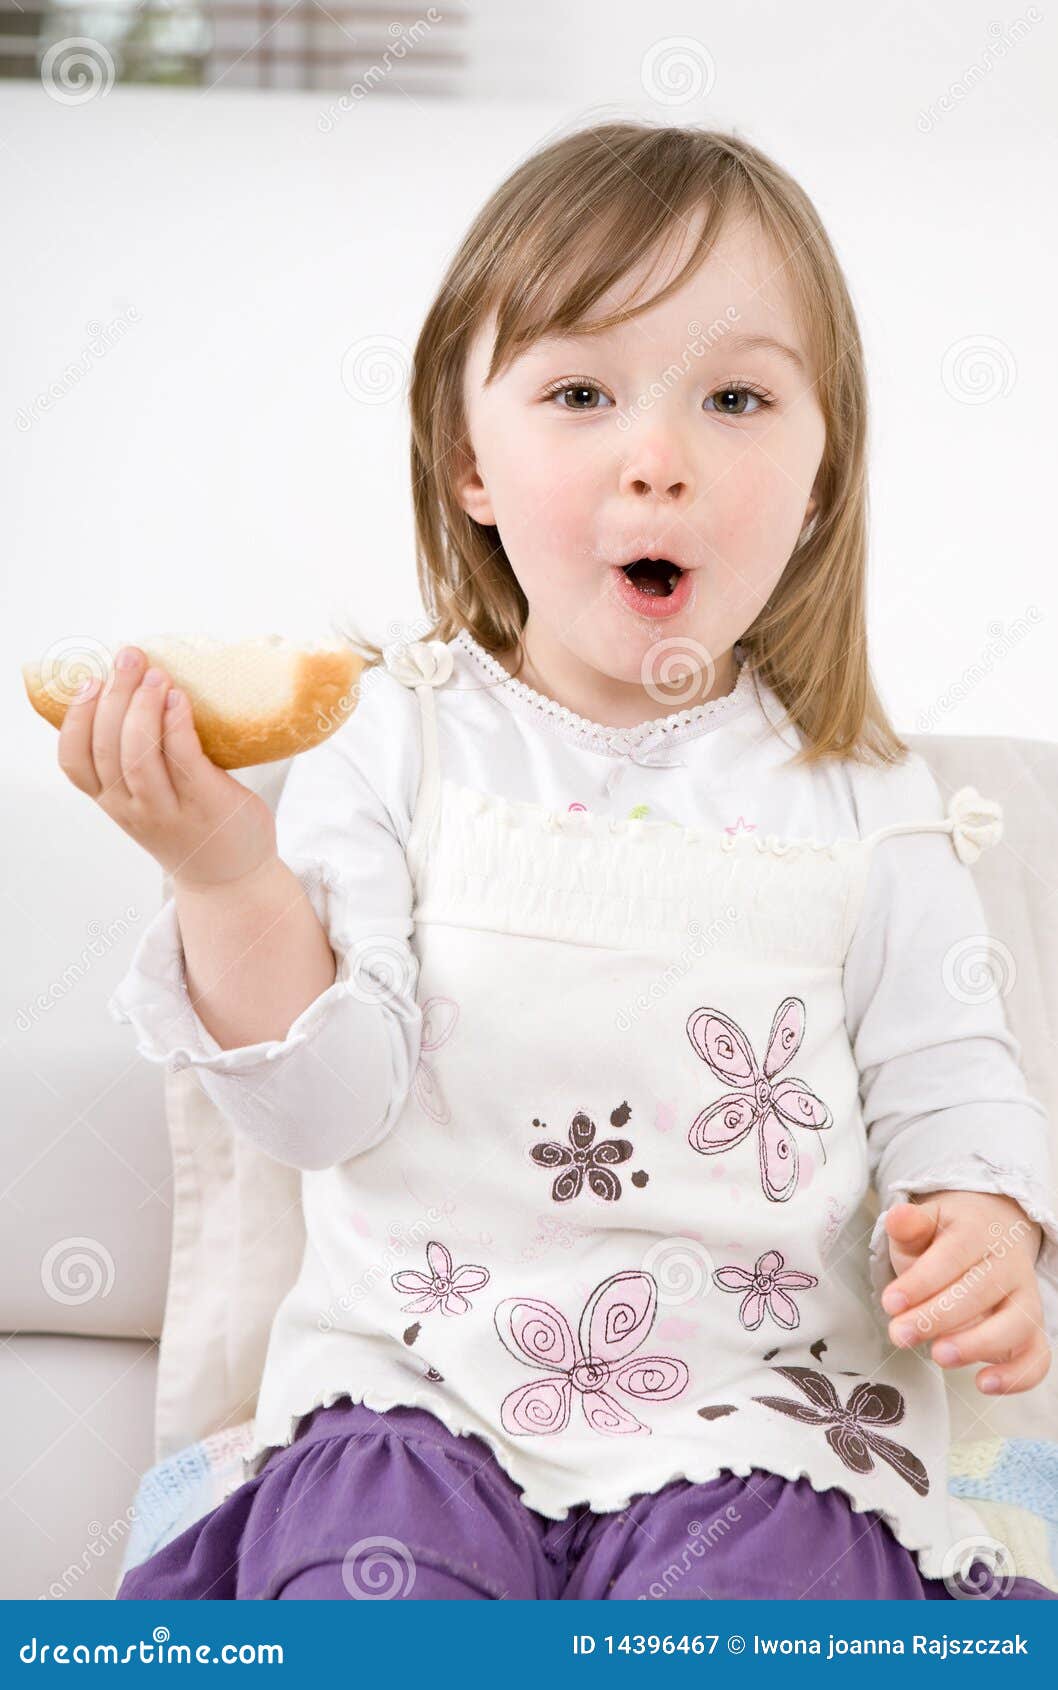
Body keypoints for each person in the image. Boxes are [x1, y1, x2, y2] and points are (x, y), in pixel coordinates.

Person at [65, 122, 1056, 1599]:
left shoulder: (860, 792)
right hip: (413, 1399)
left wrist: (985, 1222)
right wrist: (222, 872)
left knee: (753, 1605)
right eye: (581, 392)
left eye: (733, 398)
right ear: (468, 460)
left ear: (817, 470)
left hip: (761, 1431)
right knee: (371, 1587)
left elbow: (949, 1068)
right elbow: (326, 1106)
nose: (655, 460)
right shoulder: (390, 741)